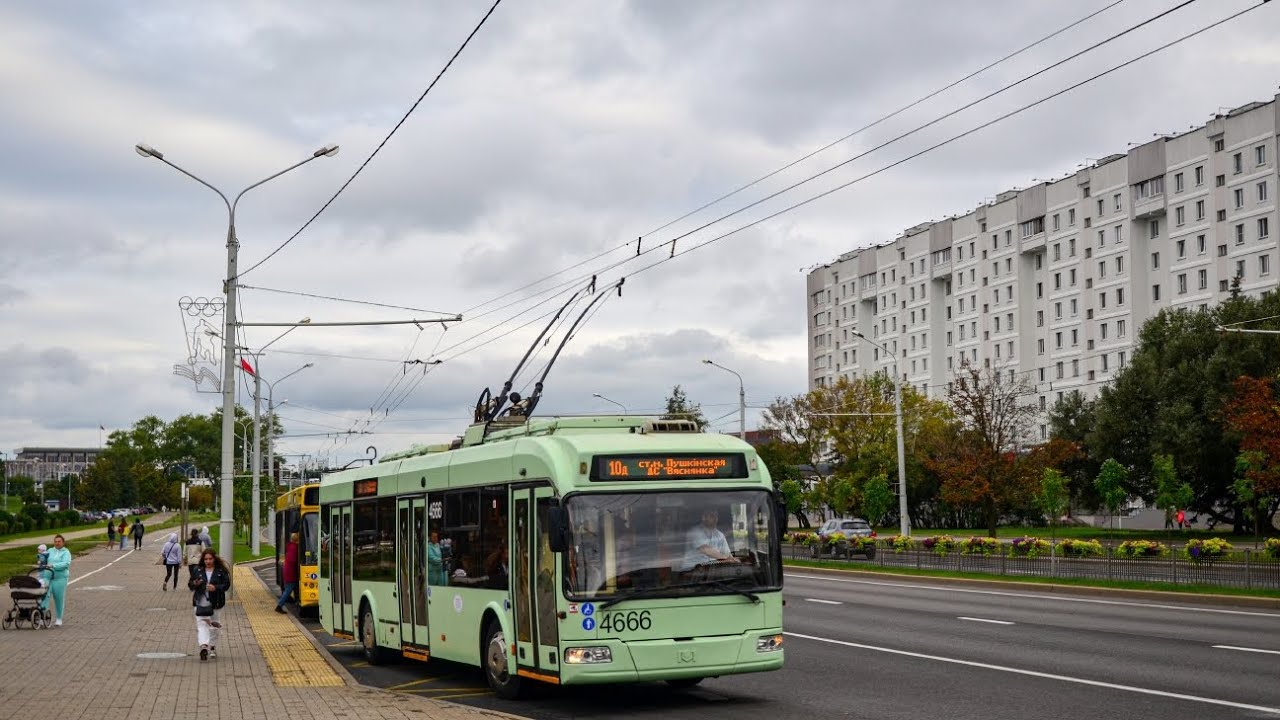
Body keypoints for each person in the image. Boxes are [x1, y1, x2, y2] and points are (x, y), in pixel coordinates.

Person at [189, 549, 231, 661]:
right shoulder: (197, 570)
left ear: (214, 559)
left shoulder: (221, 571)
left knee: (214, 625)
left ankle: (212, 646)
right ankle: (204, 646)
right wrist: (195, 583)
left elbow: (226, 585)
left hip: (216, 602)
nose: (208, 561)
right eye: (206, 559)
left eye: (210, 559)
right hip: (200, 602)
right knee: (201, 624)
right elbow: (190, 584)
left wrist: (215, 588)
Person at [42, 535, 71, 626]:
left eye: (59, 541)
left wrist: (53, 565)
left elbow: (66, 564)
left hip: (60, 578)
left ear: (63, 542)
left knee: (59, 598)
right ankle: (43, 617)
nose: (57, 543)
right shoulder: (50, 551)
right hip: (47, 577)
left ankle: (59, 618)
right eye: (55, 541)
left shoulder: (66, 552)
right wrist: (41, 560)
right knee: (44, 596)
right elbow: (44, 559)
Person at [275, 532, 299, 614]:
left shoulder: (290, 546)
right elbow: (293, 560)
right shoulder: (294, 548)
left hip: (288, 571)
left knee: (290, 588)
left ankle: (295, 601)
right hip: (290, 572)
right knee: (288, 589)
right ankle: (279, 606)